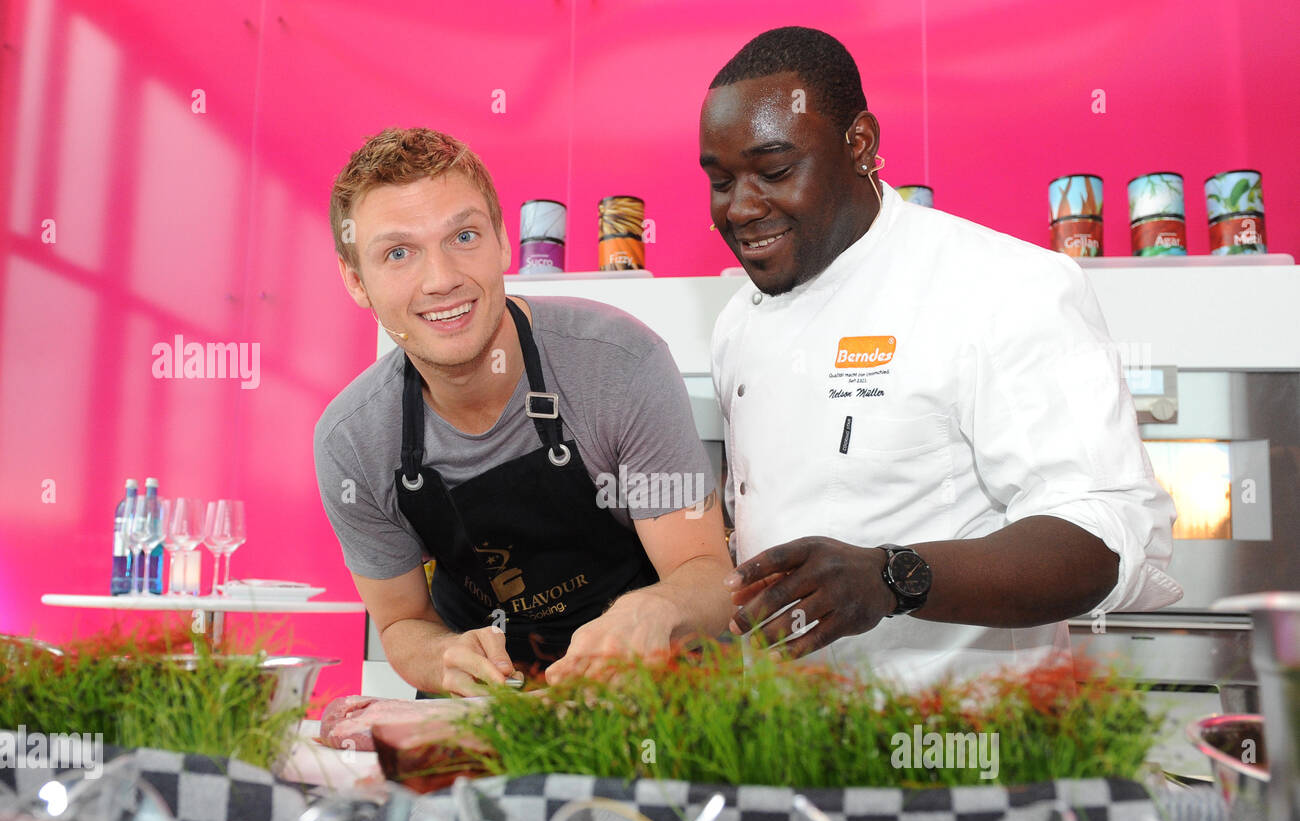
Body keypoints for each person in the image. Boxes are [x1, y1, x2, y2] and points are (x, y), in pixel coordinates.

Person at [698, 27, 1182, 689]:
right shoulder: (736, 326)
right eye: (721, 181)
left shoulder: (1006, 288)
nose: (742, 208)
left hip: (968, 748)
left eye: (776, 171)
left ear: (860, 144)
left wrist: (893, 578)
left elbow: (1101, 534)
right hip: (796, 741)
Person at [315, 128, 732, 696]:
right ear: (356, 282)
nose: (441, 279)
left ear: (504, 243)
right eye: (398, 253)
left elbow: (708, 575)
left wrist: (654, 611)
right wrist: (441, 657)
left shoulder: (618, 365)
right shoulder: (354, 439)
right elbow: (401, 622)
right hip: (486, 714)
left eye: (463, 236)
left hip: (650, 701)